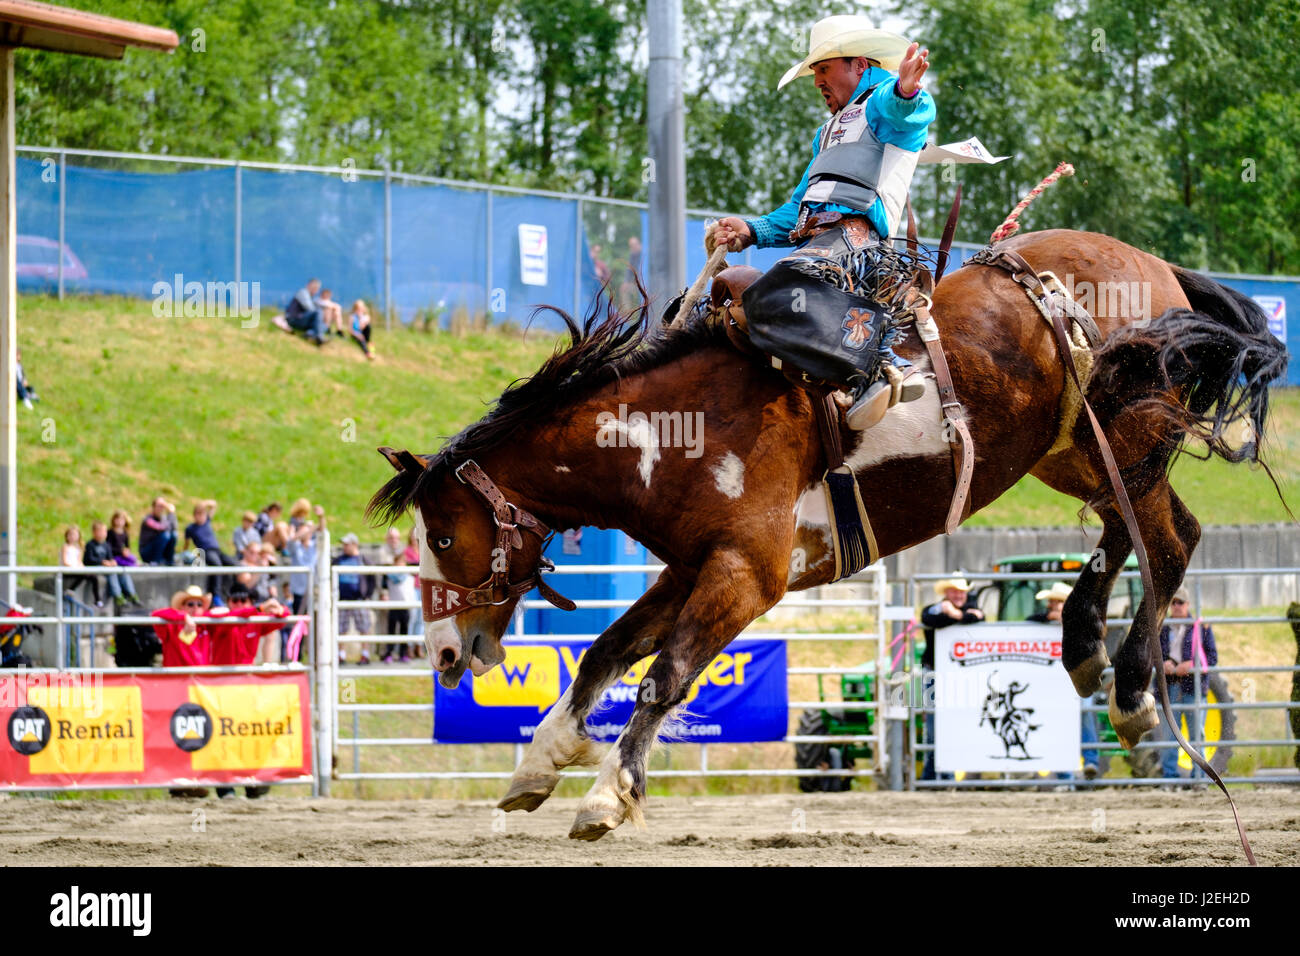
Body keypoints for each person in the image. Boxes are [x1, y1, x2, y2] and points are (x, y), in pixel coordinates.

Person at [712, 15, 935, 431]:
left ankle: (880, 364)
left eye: (824, 68)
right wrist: (750, 229)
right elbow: (800, 206)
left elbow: (910, 115)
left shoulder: (883, 101)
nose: (817, 81)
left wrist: (907, 91)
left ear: (860, 66)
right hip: (819, 242)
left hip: (857, 243)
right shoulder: (826, 132)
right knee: (735, 308)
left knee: (774, 292)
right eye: (814, 71)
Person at [1028, 581, 1101, 780]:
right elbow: (1028, 620)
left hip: (1078, 677)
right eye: (1051, 603)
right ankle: (1065, 769)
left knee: (1084, 715)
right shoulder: (1046, 621)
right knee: (1061, 720)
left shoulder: (1082, 621)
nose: (1052, 606)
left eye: (1056, 602)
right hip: (1056, 682)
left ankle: (1090, 761)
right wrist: (1050, 617)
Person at [152, 585, 216, 798]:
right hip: (177, 689)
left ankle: (195, 780)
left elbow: (233, 614)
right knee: (177, 736)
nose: (195, 608)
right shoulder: (172, 625)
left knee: (199, 735)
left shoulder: (207, 624)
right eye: (190, 604)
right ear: (182, 606)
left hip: (200, 689)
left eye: (199, 604)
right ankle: (179, 782)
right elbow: (156, 614)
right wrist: (182, 617)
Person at [919, 576, 984, 781]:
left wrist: (953, 614)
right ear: (946, 593)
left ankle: (937, 775)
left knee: (952, 723)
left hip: (957, 676)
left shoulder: (968, 608)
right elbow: (928, 618)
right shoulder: (936, 609)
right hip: (936, 673)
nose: (959, 595)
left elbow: (978, 618)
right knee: (934, 725)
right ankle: (937, 774)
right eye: (955, 591)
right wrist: (959, 616)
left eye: (962, 592)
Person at [1153, 586, 1218, 780]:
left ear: (1188, 604)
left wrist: (1191, 665)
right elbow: (1151, 654)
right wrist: (1162, 663)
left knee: (1196, 733)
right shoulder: (1161, 626)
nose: (1177, 606)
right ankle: (1169, 776)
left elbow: (1212, 657)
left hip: (1193, 687)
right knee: (1169, 734)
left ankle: (1198, 776)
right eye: (1173, 602)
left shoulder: (1201, 626)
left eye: (1180, 602)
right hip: (1169, 686)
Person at [335, 533, 375, 666]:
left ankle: (365, 654)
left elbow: (372, 579)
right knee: (341, 628)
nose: (344, 547)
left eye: (347, 544)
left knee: (364, 627)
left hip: (359, 599)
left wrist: (367, 595)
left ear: (355, 544)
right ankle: (341, 654)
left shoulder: (363, 559)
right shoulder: (338, 560)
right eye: (344, 544)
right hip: (342, 599)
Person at [85, 520, 141, 607]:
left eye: (104, 531)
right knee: (112, 573)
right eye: (100, 531)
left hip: (106, 567)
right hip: (96, 568)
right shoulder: (90, 545)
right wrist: (102, 562)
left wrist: (112, 562)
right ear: (94, 532)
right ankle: (118, 596)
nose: (102, 533)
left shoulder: (106, 545)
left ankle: (131, 594)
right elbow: (88, 559)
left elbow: (110, 557)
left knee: (122, 572)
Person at [379, 527, 414, 663]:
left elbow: (411, 591)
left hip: (405, 606)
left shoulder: (408, 576)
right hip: (394, 605)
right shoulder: (390, 576)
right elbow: (384, 584)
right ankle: (389, 652)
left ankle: (403, 653)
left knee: (405, 630)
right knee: (391, 630)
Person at [281, 278, 328, 345]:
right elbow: (310, 308)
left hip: (303, 320)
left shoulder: (311, 296)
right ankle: (318, 337)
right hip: (294, 319)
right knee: (318, 312)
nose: (316, 290)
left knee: (324, 326)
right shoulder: (303, 293)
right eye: (315, 287)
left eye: (317, 288)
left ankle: (309, 333)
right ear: (309, 285)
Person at [138, 496, 178, 566]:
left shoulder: (164, 519)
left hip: (160, 552)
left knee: (173, 534)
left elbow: (174, 528)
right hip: (147, 552)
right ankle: (155, 561)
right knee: (165, 535)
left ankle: (169, 560)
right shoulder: (147, 520)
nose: (161, 509)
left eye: (163, 506)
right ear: (153, 507)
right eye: (159, 506)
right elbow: (162, 528)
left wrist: (171, 514)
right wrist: (171, 513)